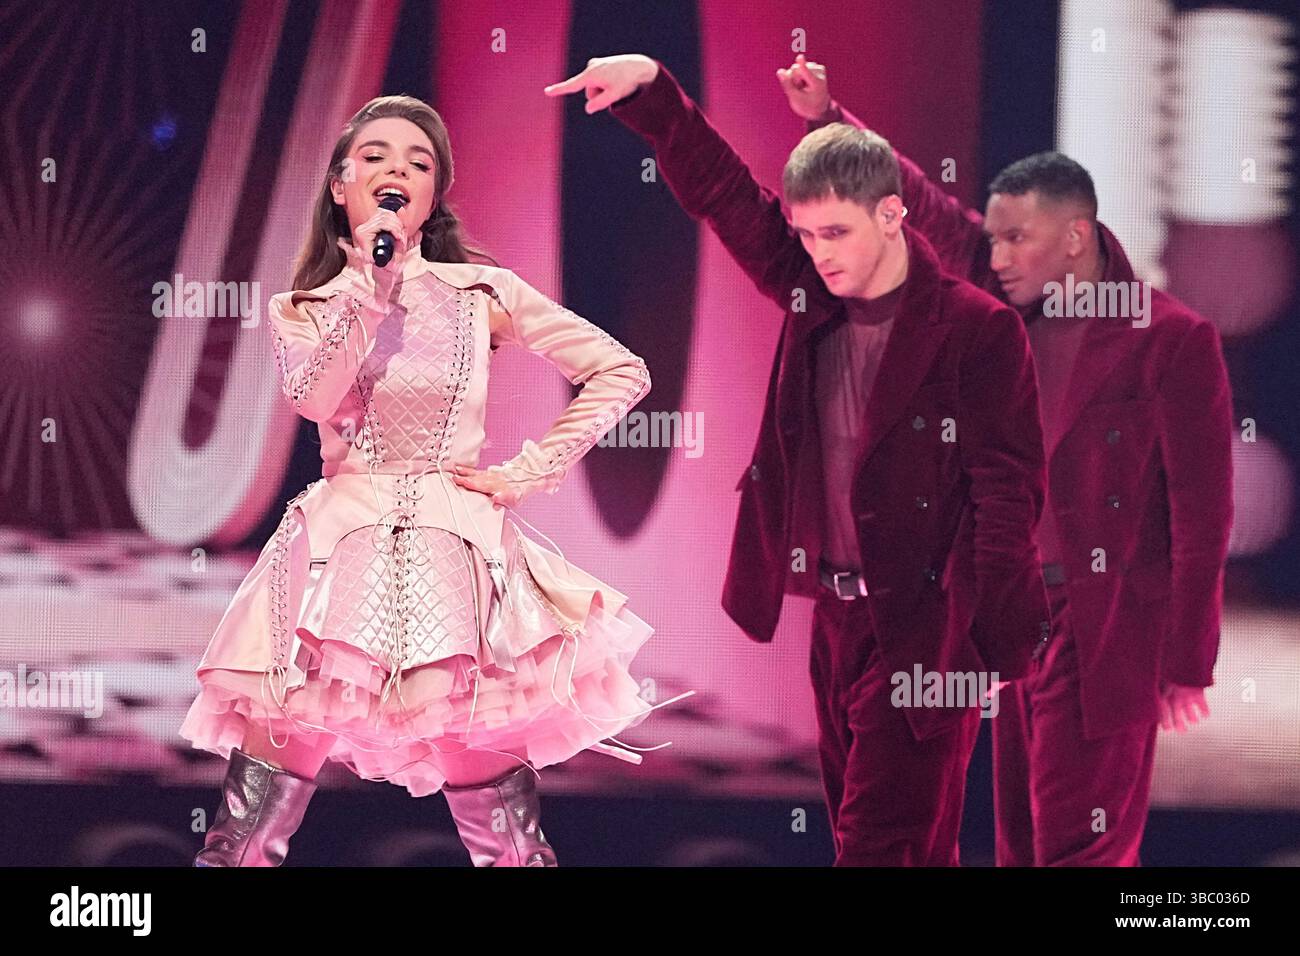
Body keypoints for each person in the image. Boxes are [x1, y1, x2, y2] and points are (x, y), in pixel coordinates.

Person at [546, 55, 1052, 865]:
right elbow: (728, 199)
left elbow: (1006, 494)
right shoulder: (809, 288)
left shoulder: (975, 329)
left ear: (892, 216)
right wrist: (656, 97)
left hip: (926, 629)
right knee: (905, 846)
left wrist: (993, 641)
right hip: (837, 618)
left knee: (878, 846)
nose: (817, 252)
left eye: (836, 233)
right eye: (807, 233)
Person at [179, 94, 688, 867]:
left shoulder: (483, 293)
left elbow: (621, 369)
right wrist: (370, 287)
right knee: (247, 831)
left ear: (433, 195)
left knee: (509, 843)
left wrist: (529, 470)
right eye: (377, 158)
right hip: (334, 563)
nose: (397, 172)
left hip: (455, 559)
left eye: (418, 164)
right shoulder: (303, 308)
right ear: (341, 185)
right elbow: (314, 396)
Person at [779, 54, 1232, 865]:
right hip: (1011, 621)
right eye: (994, 240)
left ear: (1077, 237)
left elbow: (1204, 514)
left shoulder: (1171, 337)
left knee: (1081, 849)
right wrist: (827, 115)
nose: (998, 256)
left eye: (1018, 239)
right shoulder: (1000, 301)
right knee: (1017, 845)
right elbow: (917, 201)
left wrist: (1188, 662)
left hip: (1106, 630)